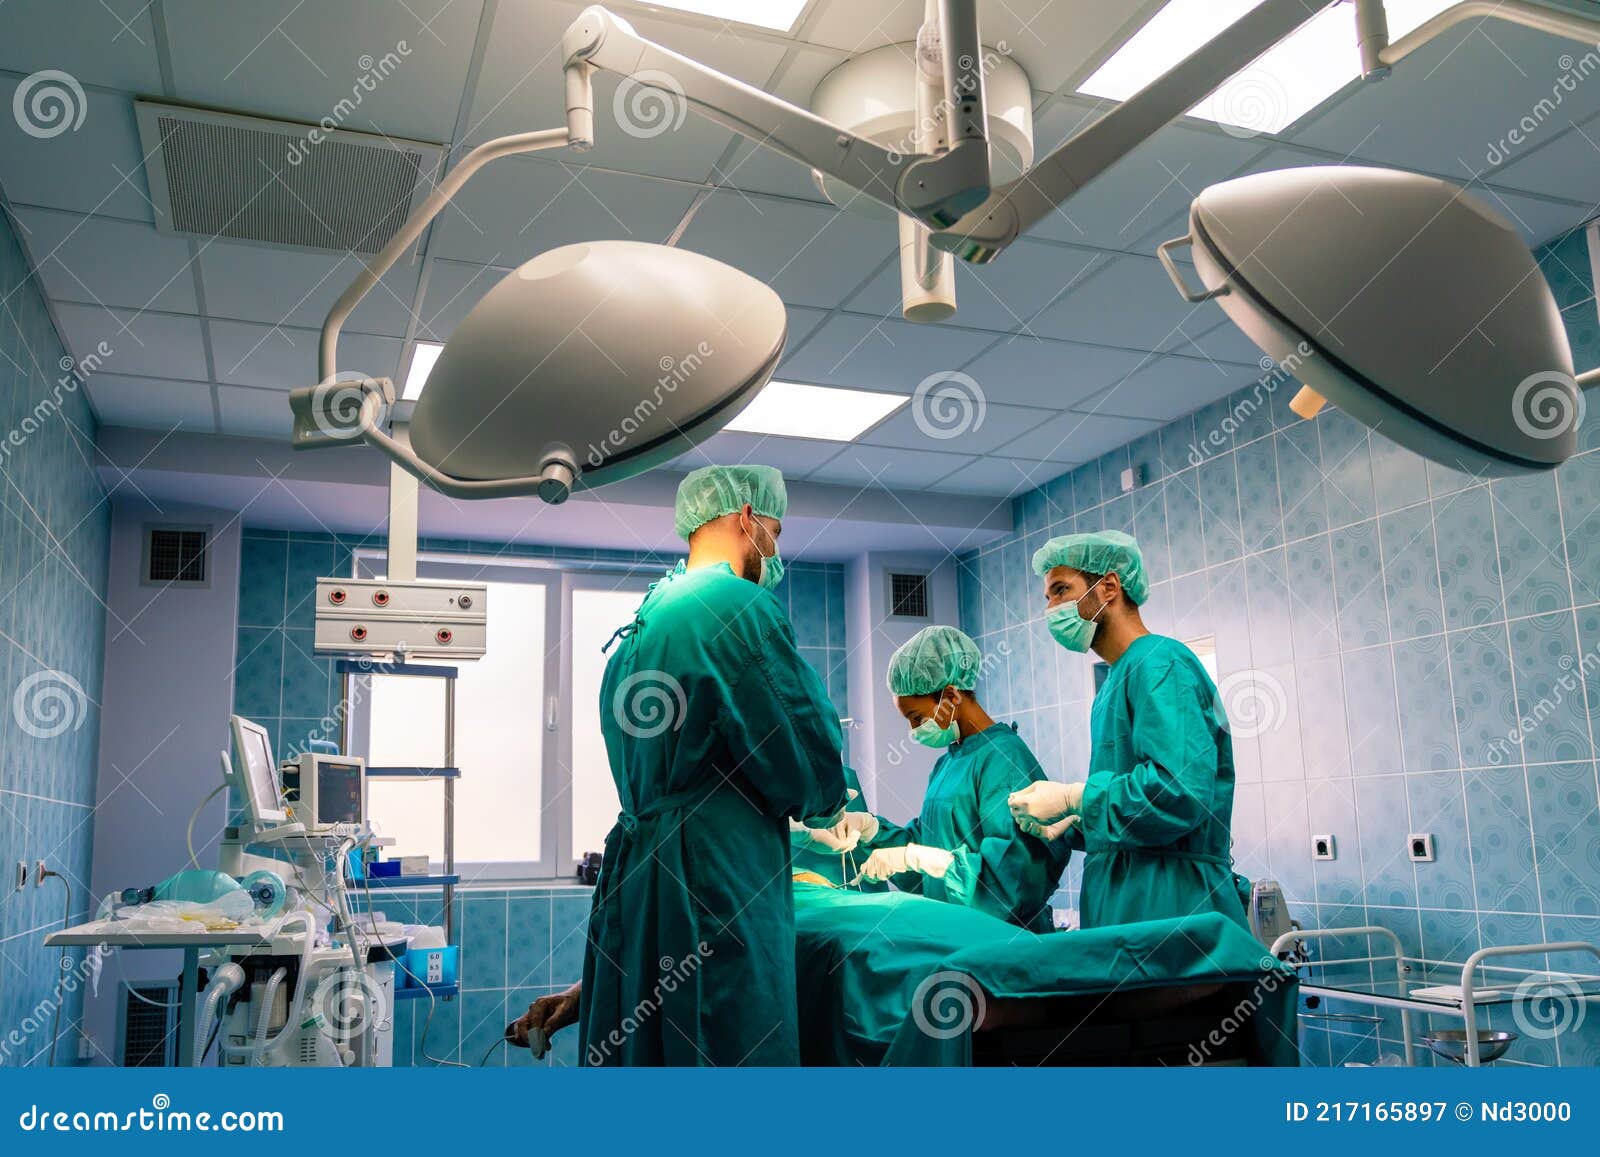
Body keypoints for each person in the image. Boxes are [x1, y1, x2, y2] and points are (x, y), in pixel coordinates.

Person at [580, 464, 849, 1066]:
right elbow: (802, 749)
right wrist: (831, 803)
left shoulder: (644, 621)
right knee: (724, 1040)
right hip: (713, 875)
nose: (774, 554)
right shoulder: (735, 606)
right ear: (748, 518)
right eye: (774, 534)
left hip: (646, 877)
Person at [1008, 530, 1247, 930]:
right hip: (1126, 907)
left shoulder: (1159, 663)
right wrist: (1079, 821)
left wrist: (1076, 798)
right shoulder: (1115, 681)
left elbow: (1179, 792)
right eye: (1047, 597)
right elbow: (1136, 815)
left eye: (1061, 590)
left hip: (1173, 907)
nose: (1050, 608)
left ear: (1109, 587)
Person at [846, 625, 1069, 931]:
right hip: (956, 934)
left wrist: (923, 860)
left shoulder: (1003, 760)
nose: (913, 731)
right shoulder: (948, 763)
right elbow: (925, 846)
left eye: (917, 718)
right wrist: (873, 831)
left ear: (950, 695)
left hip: (1003, 942)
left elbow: (1012, 880)